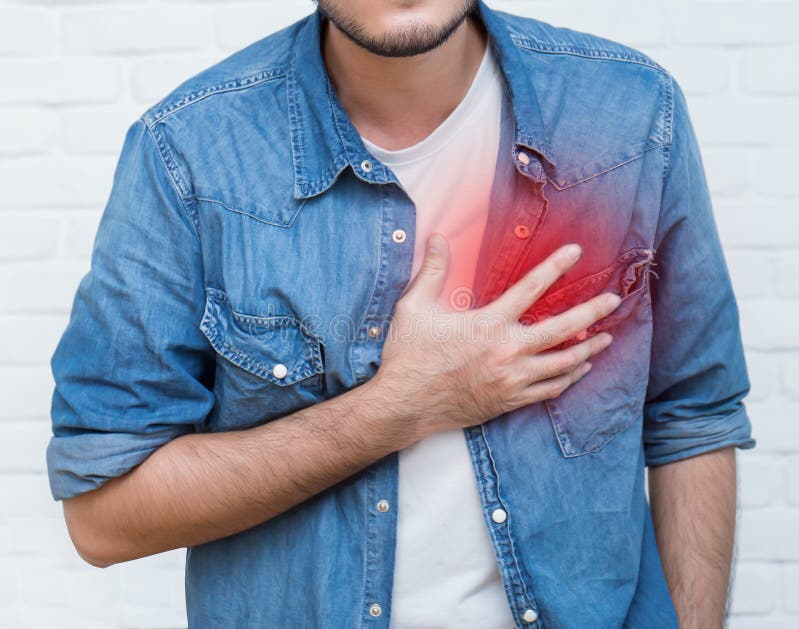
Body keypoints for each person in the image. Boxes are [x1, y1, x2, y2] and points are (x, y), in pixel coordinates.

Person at [46, 1, 755, 627]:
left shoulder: (630, 115)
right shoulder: (188, 155)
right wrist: (397, 408)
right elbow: (102, 515)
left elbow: (692, 415)